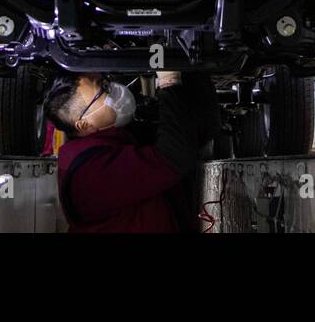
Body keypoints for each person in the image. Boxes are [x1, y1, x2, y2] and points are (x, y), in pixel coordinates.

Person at [45, 70, 220, 232]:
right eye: (101, 90)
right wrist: (169, 81)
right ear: (84, 124)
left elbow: (192, 131)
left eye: (105, 81)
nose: (112, 89)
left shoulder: (110, 142)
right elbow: (173, 158)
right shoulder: (92, 173)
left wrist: (189, 62)